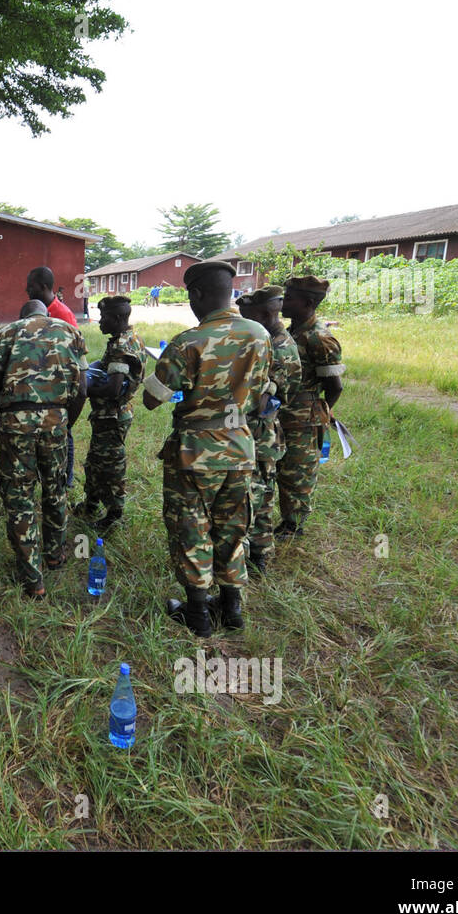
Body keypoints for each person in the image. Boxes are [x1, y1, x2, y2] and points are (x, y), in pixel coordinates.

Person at [142, 260, 270, 636]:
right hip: (242, 448)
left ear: (197, 294)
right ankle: (232, 609)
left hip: (196, 452)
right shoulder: (260, 334)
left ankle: (197, 613)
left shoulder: (189, 341)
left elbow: (153, 399)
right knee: (233, 528)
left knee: (192, 527)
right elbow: (262, 393)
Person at [0, 299, 86, 598]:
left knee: (19, 496)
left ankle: (32, 579)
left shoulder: (6, 333)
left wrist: (8, 419)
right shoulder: (71, 332)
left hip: (15, 420)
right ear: (45, 313)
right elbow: (82, 390)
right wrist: (66, 423)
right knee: (55, 488)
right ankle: (55, 556)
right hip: (57, 419)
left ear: (22, 315)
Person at [238, 286, 303, 576]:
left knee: (261, 494)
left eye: (248, 316)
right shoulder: (264, 339)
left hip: (261, 432)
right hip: (253, 431)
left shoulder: (278, 346)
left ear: (265, 313)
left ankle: (259, 556)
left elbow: (265, 400)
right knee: (252, 492)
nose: (244, 323)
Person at [276, 275, 344, 537]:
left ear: (308, 302)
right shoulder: (291, 332)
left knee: (297, 474)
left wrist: (323, 411)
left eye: (289, 297)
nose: (284, 301)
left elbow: (334, 385)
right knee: (281, 468)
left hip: (304, 419)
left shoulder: (319, 338)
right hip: (283, 414)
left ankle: (293, 526)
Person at [81, 295, 150, 533]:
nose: (100, 322)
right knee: (95, 463)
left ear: (119, 318)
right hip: (107, 415)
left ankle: (114, 513)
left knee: (111, 467)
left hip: (112, 415)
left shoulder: (122, 347)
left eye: (105, 318)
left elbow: (112, 389)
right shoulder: (128, 338)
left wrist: (85, 389)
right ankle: (90, 504)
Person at [26, 266, 79, 488]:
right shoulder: (34, 311)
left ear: (44, 287)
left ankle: (66, 478)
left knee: (64, 434)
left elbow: (74, 352)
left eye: (31, 286)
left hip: (57, 389)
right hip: (38, 387)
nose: (27, 290)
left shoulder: (62, 314)